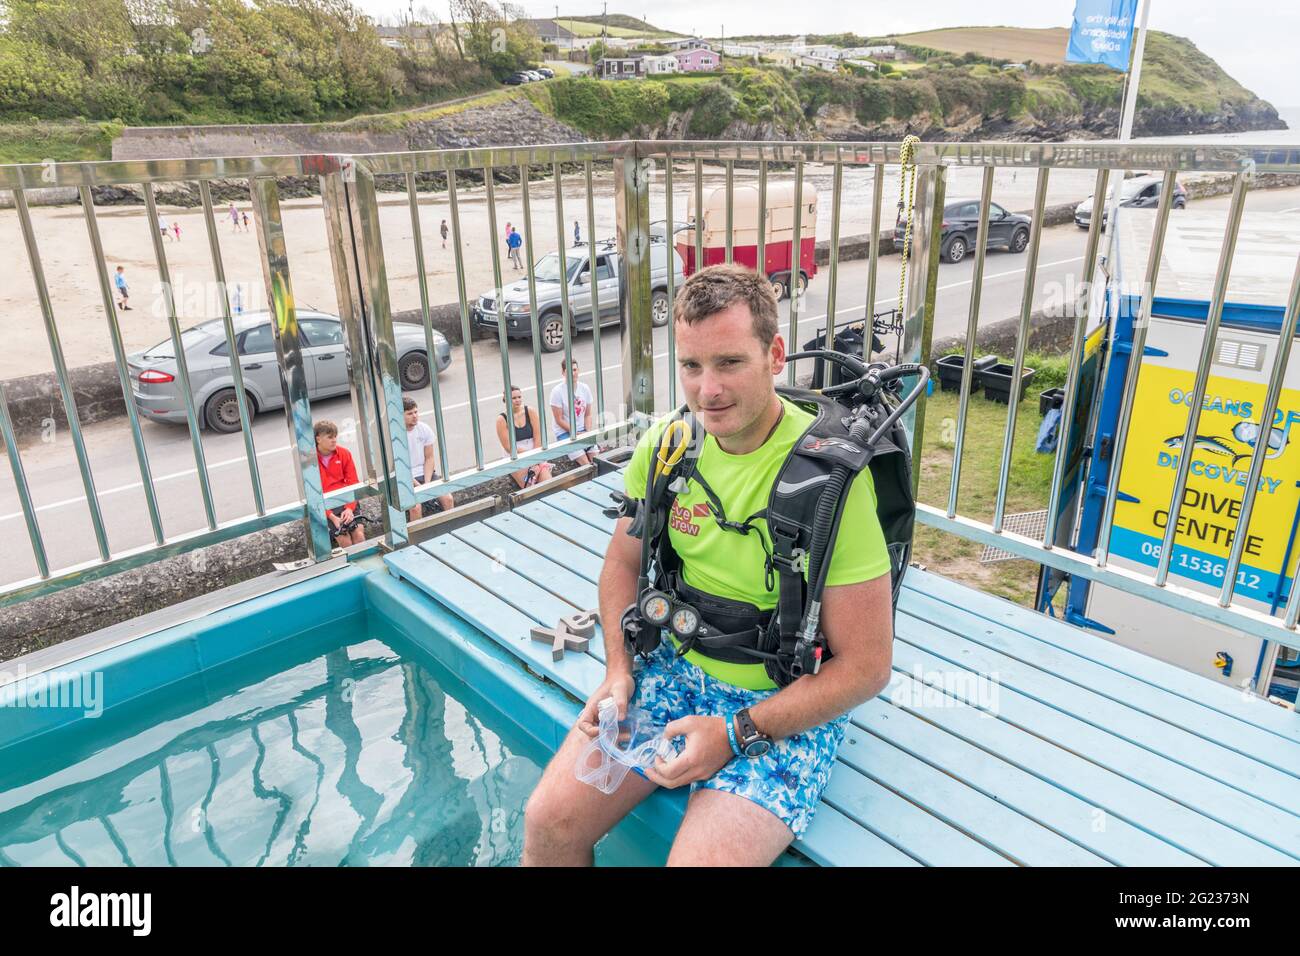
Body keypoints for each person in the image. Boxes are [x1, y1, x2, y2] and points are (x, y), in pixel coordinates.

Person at [523, 264, 896, 866]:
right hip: (674, 671)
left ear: (774, 354)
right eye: (691, 366)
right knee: (547, 825)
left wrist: (735, 733)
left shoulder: (833, 485)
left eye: (729, 363)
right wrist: (618, 670)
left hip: (782, 705)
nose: (707, 391)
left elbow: (869, 666)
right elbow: (622, 563)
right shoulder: (668, 446)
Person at [315, 420, 365, 546]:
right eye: (330, 437)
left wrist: (349, 509)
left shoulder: (344, 453)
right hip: (326, 506)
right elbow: (313, 494)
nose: (334, 440)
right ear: (318, 439)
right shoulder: (310, 461)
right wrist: (331, 516)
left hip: (346, 500)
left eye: (335, 437)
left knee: (359, 536)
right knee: (345, 540)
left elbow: (353, 483)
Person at [404, 396, 453, 521]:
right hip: (407, 478)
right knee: (415, 507)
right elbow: (400, 468)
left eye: (416, 412)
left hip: (426, 473)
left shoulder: (424, 428)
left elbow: (429, 458)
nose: (414, 416)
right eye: (409, 413)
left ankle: (451, 528)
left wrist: (426, 484)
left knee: (448, 499)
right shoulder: (397, 435)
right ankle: (417, 538)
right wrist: (418, 486)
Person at [497, 386, 553, 490]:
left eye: (519, 397)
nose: (517, 400)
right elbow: (508, 447)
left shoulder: (530, 411)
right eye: (514, 398)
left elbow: (538, 437)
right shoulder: (501, 419)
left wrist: (535, 459)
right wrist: (529, 459)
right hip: (515, 456)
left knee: (548, 482)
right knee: (529, 486)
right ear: (506, 399)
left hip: (534, 451)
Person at [549, 357, 596, 466]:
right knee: (586, 465)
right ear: (563, 372)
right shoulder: (557, 392)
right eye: (569, 370)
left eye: (575, 370)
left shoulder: (585, 388)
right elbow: (559, 419)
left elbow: (588, 414)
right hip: (565, 433)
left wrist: (588, 432)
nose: (573, 373)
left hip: (582, 430)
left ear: (578, 370)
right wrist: (575, 433)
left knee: (598, 460)